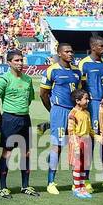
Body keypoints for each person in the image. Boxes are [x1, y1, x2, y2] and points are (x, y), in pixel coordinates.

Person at [0, 49, 39, 198]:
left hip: (25, 118)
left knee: (27, 152)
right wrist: (0, 117)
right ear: (9, 63)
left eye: (21, 60)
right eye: (16, 61)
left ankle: (25, 185)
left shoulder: (28, 79)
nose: (20, 63)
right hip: (10, 119)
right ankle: (3, 187)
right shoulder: (3, 80)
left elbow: (30, 98)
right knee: (8, 152)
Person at [40, 42, 82, 196]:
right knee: (56, 147)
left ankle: (76, 182)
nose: (70, 54)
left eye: (72, 51)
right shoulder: (52, 70)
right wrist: (53, 111)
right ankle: (51, 182)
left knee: (76, 146)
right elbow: (43, 94)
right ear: (59, 53)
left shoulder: (77, 72)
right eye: (67, 52)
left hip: (75, 112)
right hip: (59, 111)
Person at [78, 36, 103, 170]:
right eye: (101, 46)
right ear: (93, 47)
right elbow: (80, 86)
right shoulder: (84, 63)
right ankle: (85, 178)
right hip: (91, 105)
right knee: (90, 140)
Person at [66, 89, 94, 200]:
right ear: (78, 101)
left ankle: (82, 186)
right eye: (85, 99)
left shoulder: (87, 113)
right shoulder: (73, 114)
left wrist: (97, 136)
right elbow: (71, 131)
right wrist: (76, 145)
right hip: (77, 141)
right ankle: (77, 188)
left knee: (84, 165)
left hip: (86, 141)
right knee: (77, 166)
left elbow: (90, 128)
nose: (88, 101)